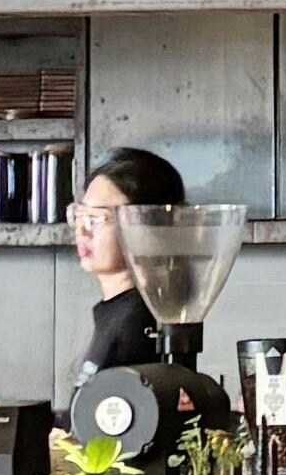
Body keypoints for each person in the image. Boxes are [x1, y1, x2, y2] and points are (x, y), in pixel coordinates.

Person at [68, 145, 194, 380]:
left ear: (149, 225)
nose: (82, 231)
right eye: (80, 215)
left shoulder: (141, 323)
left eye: (98, 218)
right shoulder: (115, 311)